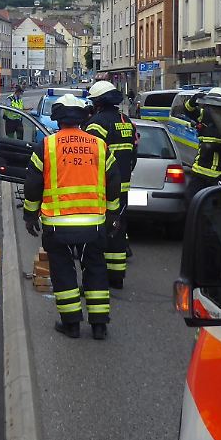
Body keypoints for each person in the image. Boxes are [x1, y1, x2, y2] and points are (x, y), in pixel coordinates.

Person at [23, 95, 121, 340]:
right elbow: (114, 181)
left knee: (63, 272)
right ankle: (99, 325)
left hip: (57, 227)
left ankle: (72, 325)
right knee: (96, 270)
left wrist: (29, 215)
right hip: (94, 225)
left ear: (57, 118)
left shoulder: (46, 146)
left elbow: (33, 185)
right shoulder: (99, 145)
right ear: (81, 118)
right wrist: (112, 214)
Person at [85, 81, 138, 289]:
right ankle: (117, 276)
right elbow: (134, 154)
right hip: (123, 185)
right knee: (118, 227)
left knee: (99, 231)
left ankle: (97, 278)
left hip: (102, 187)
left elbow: (91, 157)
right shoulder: (126, 121)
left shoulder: (97, 123)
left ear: (98, 101)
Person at [182, 87, 221, 192]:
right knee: (191, 199)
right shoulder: (205, 115)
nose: (213, 107)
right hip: (200, 171)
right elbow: (188, 110)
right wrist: (194, 100)